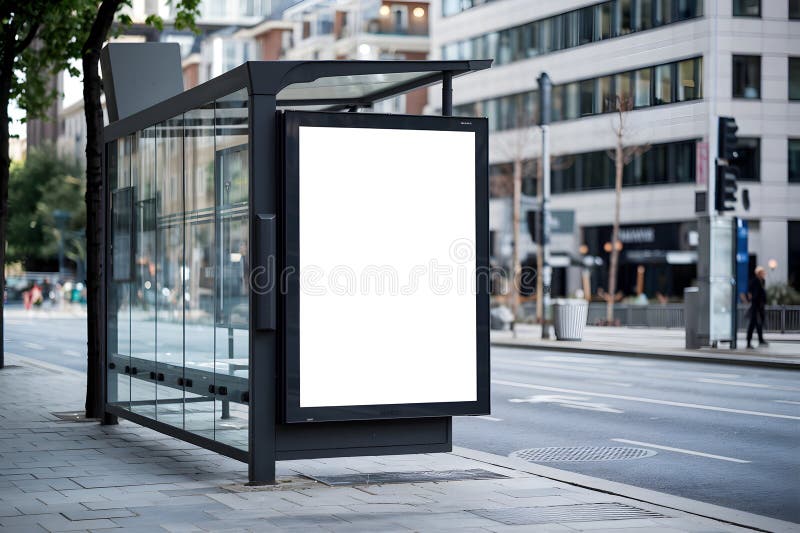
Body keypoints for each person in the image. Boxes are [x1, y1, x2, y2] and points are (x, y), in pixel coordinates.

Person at [746, 266, 768, 349]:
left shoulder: (762, 281)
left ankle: (760, 340)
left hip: (760, 306)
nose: (764, 274)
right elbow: (750, 292)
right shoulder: (754, 281)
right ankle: (748, 342)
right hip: (755, 305)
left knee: (759, 324)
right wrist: (752, 298)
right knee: (752, 323)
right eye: (762, 273)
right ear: (758, 273)